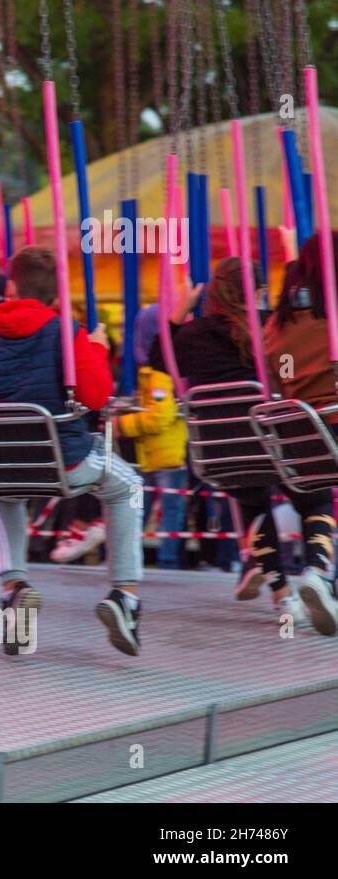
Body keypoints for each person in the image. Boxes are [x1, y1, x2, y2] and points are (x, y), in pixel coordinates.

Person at [0, 245, 144, 656]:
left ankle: (15, 586)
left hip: (2, 463)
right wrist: (95, 350)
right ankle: (124, 596)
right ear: (57, 296)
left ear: (10, 287)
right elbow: (96, 396)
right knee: (128, 485)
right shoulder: (67, 334)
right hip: (65, 463)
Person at [156, 258, 309, 626]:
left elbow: (159, 363)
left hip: (222, 450)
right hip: (274, 441)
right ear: (258, 293)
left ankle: (282, 594)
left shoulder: (192, 336)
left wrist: (177, 314)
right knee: (314, 492)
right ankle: (319, 571)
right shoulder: (271, 326)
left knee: (252, 499)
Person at [262, 236, 338, 635]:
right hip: (331, 428)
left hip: (296, 440)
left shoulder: (276, 326)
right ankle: (319, 570)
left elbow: (283, 377)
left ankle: (319, 568)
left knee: (317, 493)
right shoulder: (333, 322)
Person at [117, 335, 188, 570]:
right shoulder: (156, 374)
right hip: (153, 456)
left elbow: (160, 416)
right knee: (156, 509)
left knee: (160, 510)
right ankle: (156, 559)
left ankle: (165, 561)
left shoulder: (157, 377)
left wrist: (123, 425)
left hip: (163, 458)